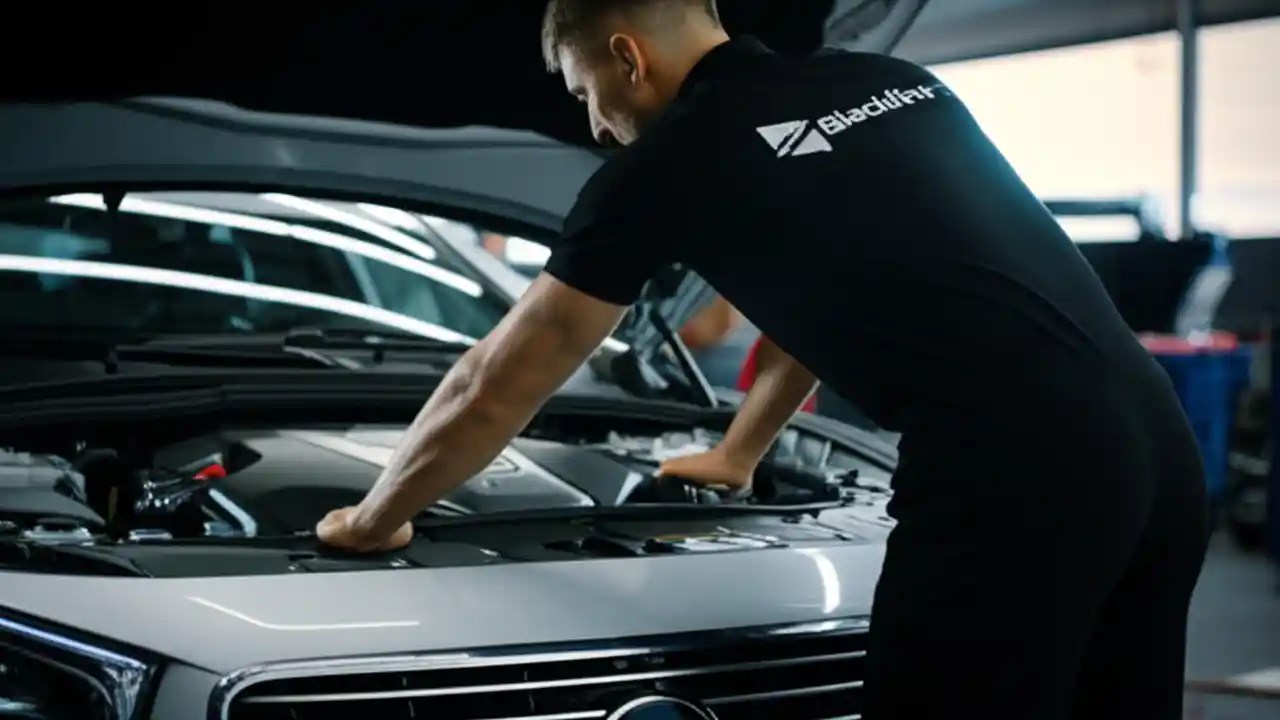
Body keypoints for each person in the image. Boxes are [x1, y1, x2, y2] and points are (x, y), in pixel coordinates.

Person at [315, 1, 1210, 717]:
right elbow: (832, 291)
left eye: (585, 90)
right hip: (1160, 447)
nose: (594, 124)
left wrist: (374, 515)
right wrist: (740, 450)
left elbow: (500, 375)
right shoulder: (897, 84)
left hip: (1015, 472)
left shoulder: (664, 166)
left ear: (627, 57)